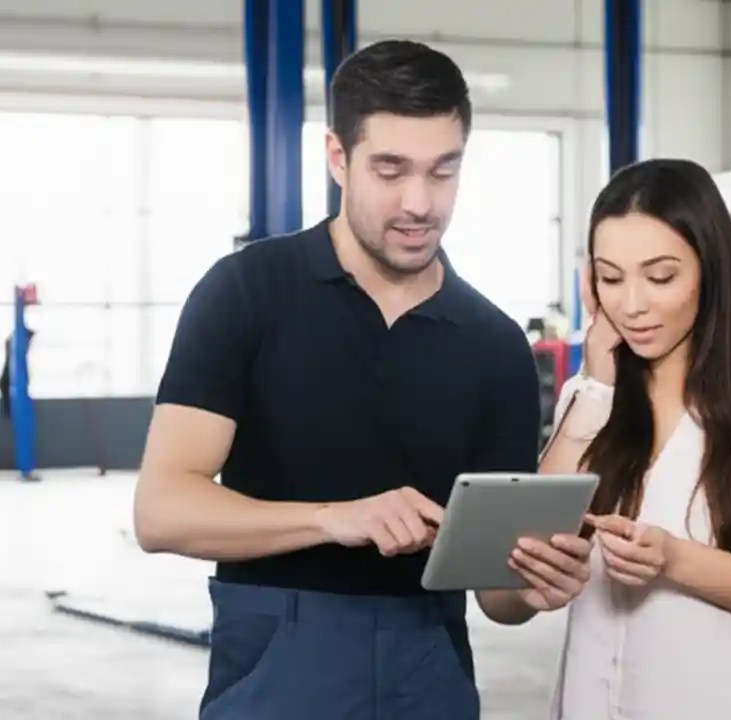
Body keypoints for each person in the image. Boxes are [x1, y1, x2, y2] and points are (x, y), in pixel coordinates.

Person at [131, 40, 592, 720]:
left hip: (429, 675)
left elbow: (497, 597)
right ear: (338, 158)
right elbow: (162, 511)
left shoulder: (494, 346)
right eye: (390, 169)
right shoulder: (247, 294)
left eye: (443, 171)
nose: (419, 203)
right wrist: (331, 518)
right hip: (276, 672)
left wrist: (535, 582)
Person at [540, 158, 731, 719]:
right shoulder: (592, 396)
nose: (632, 305)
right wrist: (595, 389)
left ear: (711, 269)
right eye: (611, 278)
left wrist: (675, 560)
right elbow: (524, 562)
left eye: (660, 277)